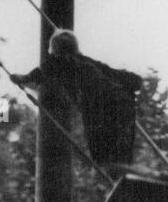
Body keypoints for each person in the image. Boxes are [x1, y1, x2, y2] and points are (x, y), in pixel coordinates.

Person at [10, 29, 147, 173]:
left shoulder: (59, 61)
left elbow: (37, 74)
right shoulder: (90, 62)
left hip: (99, 107)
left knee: (105, 164)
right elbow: (129, 78)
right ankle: (147, 174)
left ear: (54, 51)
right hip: (123, 105)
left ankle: (142, 174)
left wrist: (19, 78)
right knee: (121, 159)